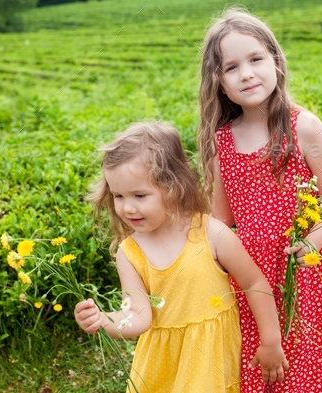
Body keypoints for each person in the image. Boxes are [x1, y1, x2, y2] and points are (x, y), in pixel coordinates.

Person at [74, 121, 288, 393]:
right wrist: (104, 321)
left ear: (174, 187)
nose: (127, 207)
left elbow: (255, 283)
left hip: (210, 360)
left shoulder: (211, 233)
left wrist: (270, 341)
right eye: (118, 196)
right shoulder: (130, 253)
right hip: (161, 365)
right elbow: (138, 316)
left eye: (140, 195)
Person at [197, 7, 322, 393]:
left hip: (303, 269)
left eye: (256, 59)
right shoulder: (221, 142)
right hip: (250, 276)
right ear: (219, 83)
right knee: (258, 365)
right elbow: (221, 218)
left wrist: (312, 241)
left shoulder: (304, 127)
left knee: (302, 367)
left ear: (276, 63)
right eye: (231, 67)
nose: (246, 73)